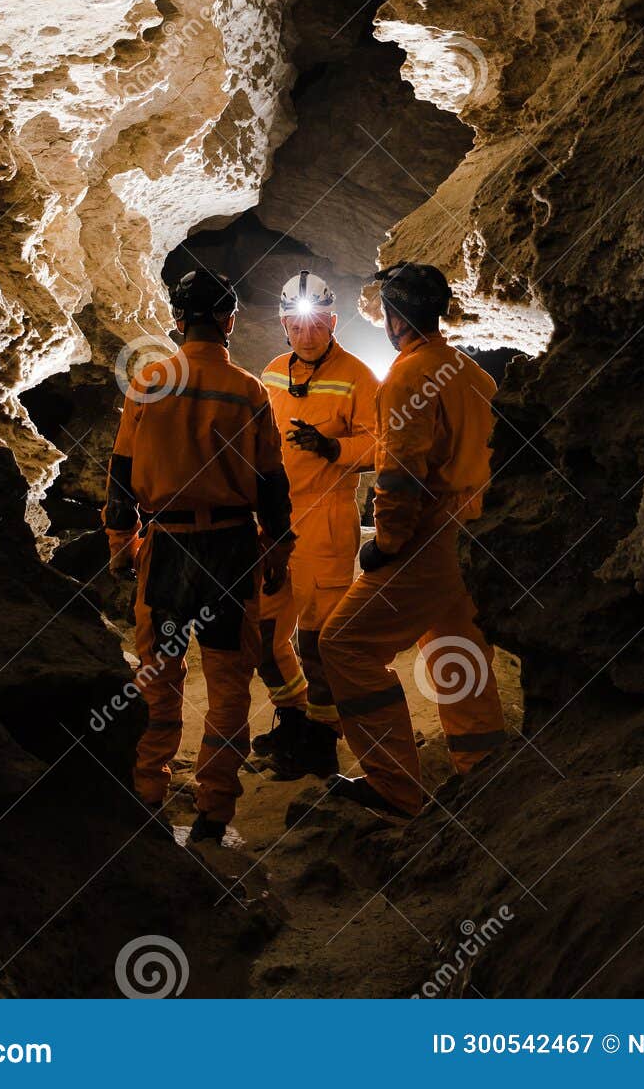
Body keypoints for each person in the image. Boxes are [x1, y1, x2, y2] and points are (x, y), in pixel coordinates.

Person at [102, 267, 294, 845]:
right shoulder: (249, 390)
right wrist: (279, 549)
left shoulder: (148, 382)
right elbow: (271, 482)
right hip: (231, 548)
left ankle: (147, 795)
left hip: (166, 549)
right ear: (228, 320)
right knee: (229, 681)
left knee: (158, 677)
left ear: (178, 318)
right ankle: (214, 812)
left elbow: (122, 478)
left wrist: (121, 544)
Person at [320, 261, 507, 818]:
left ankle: (394, 787)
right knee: (460, 653)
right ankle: (487, 782)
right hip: (474, 534)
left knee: (344, 644)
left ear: (394, 317)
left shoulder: (407, 375)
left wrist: (389, 543)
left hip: (431, 536)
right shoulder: (473, 374)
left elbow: (400, 472)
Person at [252, 271, 378, 779]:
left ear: (332, 320)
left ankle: (324, 736)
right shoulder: (271, 373)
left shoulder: (358, 376)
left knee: (322, 643)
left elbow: (383, 444)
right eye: (296, 325)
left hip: (326, 524)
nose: (307, 334)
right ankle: (296, 716)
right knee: (262, 634)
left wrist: (334, 449)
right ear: (285, 325)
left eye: (317, 323)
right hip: (276, 526)